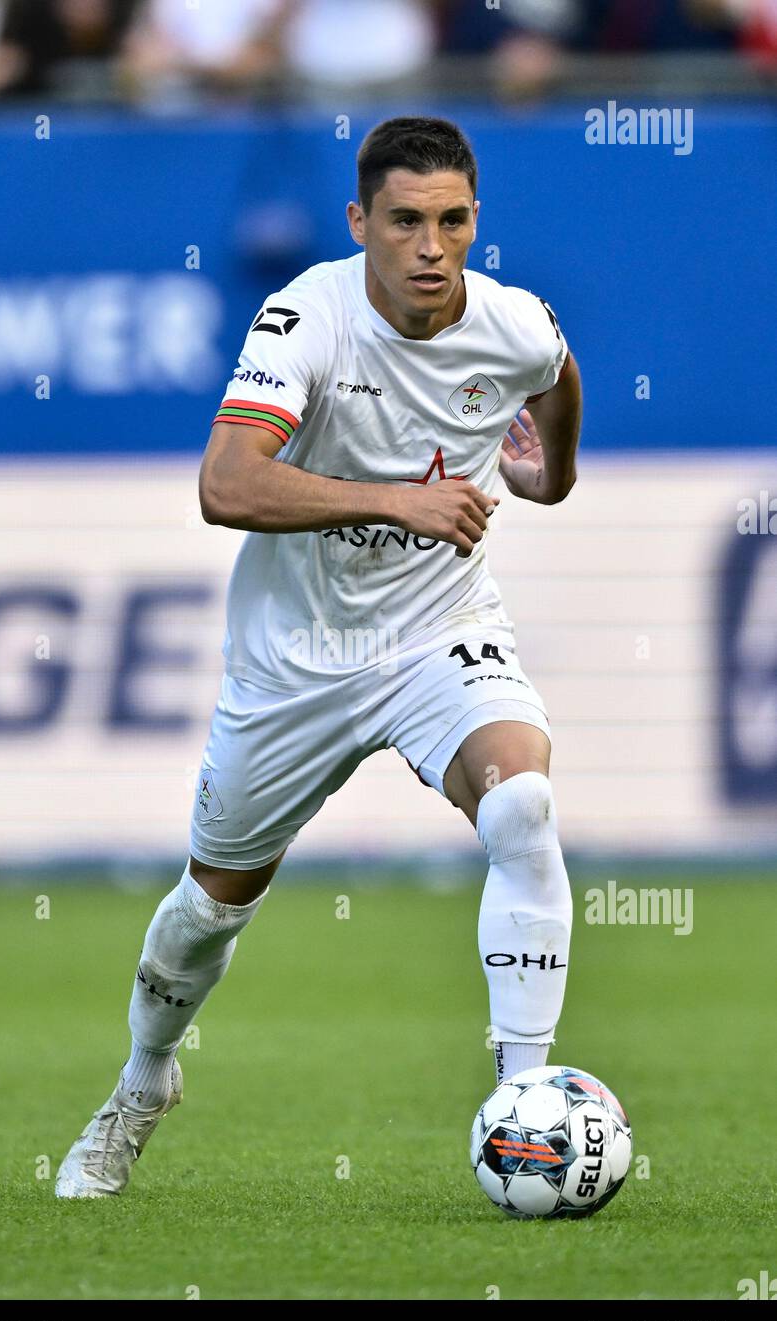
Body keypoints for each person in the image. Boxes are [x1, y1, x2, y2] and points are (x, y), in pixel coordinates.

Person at [56, 115, 582, 1199]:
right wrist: (401, 498)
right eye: (404, 222)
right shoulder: (307, 317)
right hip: (292, 662)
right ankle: (143, 1081)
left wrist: (548, 469)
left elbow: (556, 371)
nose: (430, 247)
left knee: (521, 806)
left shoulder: (513, 323)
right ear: (360, 223)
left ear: (473, 221)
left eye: (452, 221)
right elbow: (224, 486)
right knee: (208, 909)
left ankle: (518, 1104)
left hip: (436, 634)